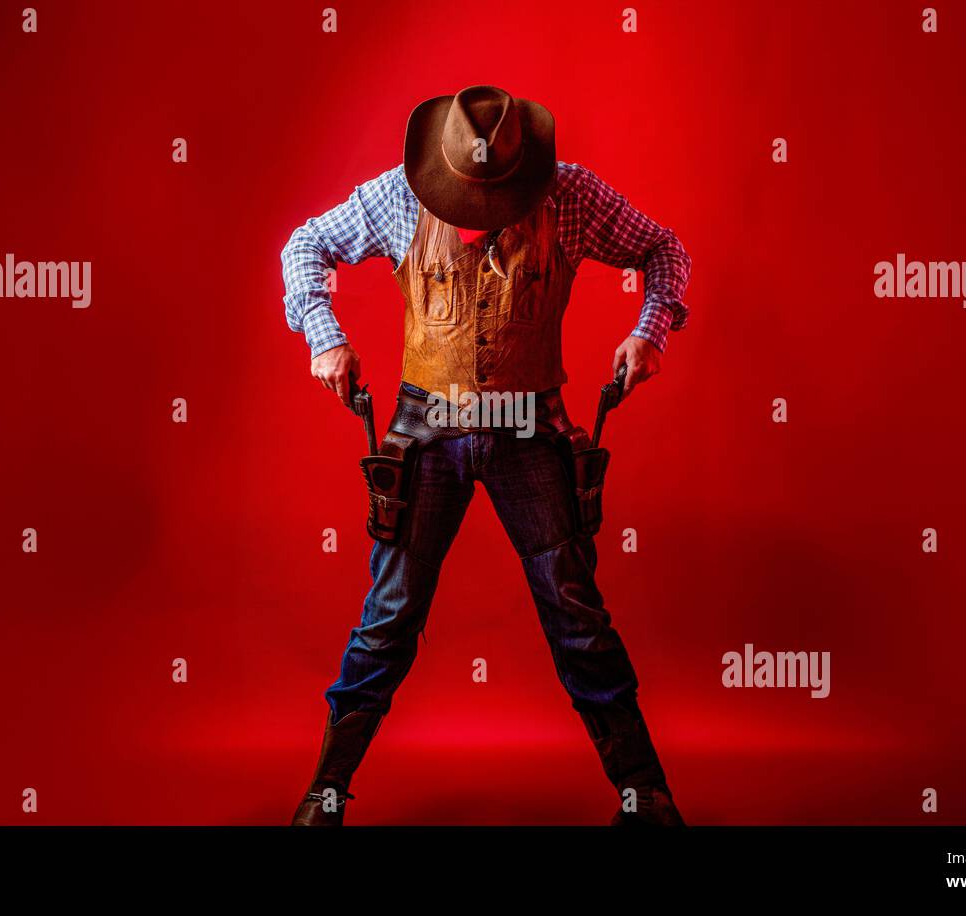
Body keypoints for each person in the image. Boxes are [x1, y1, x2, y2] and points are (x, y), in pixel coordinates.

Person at [281, 85, 691, 826]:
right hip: (425, 429)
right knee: (389, 614)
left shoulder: (571, 196)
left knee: (575, 611)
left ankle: (645, 794)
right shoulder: (397, 196)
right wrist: (324, 335)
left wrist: (650, 332)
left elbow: (664, 249)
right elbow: (304, 244)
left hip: (532, 427)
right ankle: (326, 792)